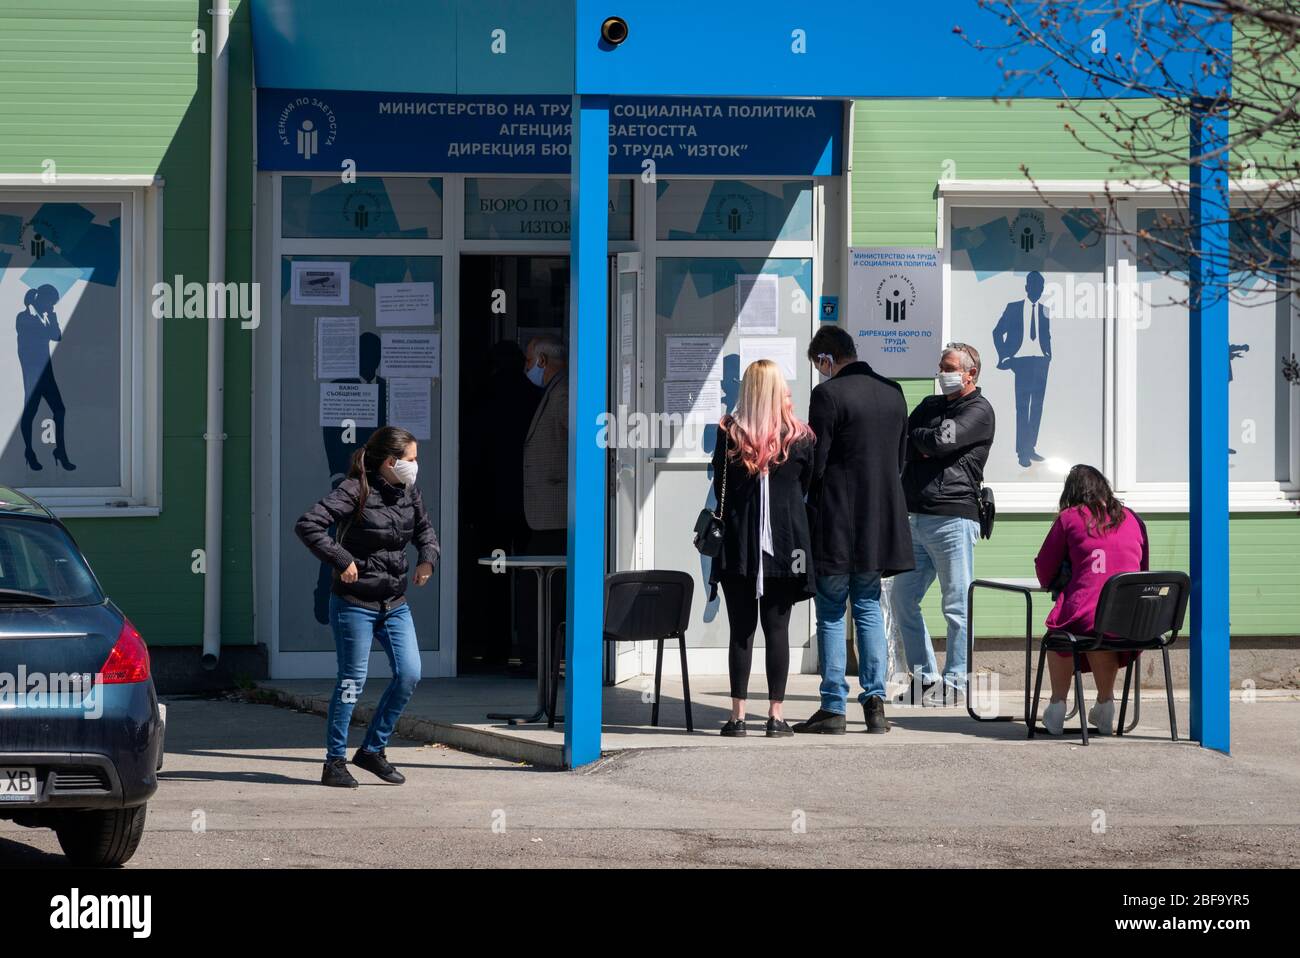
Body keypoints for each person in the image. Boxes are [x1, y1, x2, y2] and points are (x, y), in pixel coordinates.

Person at [295, 426, 440, 787]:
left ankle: (373, 750)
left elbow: (425, 531)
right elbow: (308, 524)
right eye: (411, 459)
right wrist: (341, 559)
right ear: (391, 462)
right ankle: (334, 762)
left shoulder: (409, 492)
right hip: (354, 603)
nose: (415, 465)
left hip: (394, 603)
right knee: (351, 682)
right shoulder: (354, 489)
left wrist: (427, 559)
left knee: (409, 674)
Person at [794, 326, 914, 735]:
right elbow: (900, 459)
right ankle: (875, 704)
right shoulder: (893, 392)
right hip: (880, 520)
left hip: (836, 519)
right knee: (867, 605)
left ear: (827, 358)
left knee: (830, 610)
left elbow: (817, 461)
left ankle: (833, 707)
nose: (820, 371)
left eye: (819, 364)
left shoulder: (827, 395)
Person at [707, 360, 816, 737]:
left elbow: (718, 481)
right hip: (786, 546)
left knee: (741, 631)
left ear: (748, 390)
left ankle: (737, 717)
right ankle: (775, 716)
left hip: (739, 544)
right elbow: (806, 485)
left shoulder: (729, 433)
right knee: (777, 630)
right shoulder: (800, 437)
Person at [892, 343, 996, 705]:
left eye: (949, 367)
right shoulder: (931, 404)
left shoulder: (979, 410)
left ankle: (956, 683)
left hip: (953, 517)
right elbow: (904, 439)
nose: (942, 373)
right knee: (903, 600)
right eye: (941, 366)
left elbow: (939, 441)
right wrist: (923, 443)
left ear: (970, 373)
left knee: (956, 605)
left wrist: (924, 441)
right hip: (915, 516)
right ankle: (925, 679)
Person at [1033, 464, 1150, 736]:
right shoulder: (1133, 519)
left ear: (1072, 492)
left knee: (1061, 634)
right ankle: (1105, 704)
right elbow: (1142, 571)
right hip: (1131, 620)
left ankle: (1057, 707)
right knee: (1102, 629)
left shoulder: (1070, 518)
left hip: (1087, 615)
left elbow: (1044, 572)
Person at [519, 334, 569, 672]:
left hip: (555, 512)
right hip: (547, 511)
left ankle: (541, 662)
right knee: (541, 587)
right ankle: (539, 660)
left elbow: (579, 444)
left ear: (542, 361)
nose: (526, 368)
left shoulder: (563, 392)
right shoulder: (554, 389)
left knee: (544, 590)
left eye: (528, 361)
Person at [992, 270, 1051, 468]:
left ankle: (1030, 447)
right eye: (1034, 286)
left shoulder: (1044, 310)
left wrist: (1048, 355)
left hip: (1041, 362)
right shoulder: (1014, 308)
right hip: (1022, 361)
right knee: (1023, 407)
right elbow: (997, 332)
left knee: (1037, 407)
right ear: (1027, 287)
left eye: (1040, 287)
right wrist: (1005, 356)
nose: (1037, 290)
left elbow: (1046, 335)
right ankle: (1022, 452)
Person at [16, 284, 74, 471]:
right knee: (30, 412)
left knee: (59, 410)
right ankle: (29, 452)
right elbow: (44, 333)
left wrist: (52, 317)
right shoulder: (24, 317)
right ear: (41, 300)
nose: (52, 306)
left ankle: (60, 451)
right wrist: (46, 317)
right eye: (50, 303)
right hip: (32, 373)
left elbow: (56, 336)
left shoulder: (44, 317)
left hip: (46, 373)